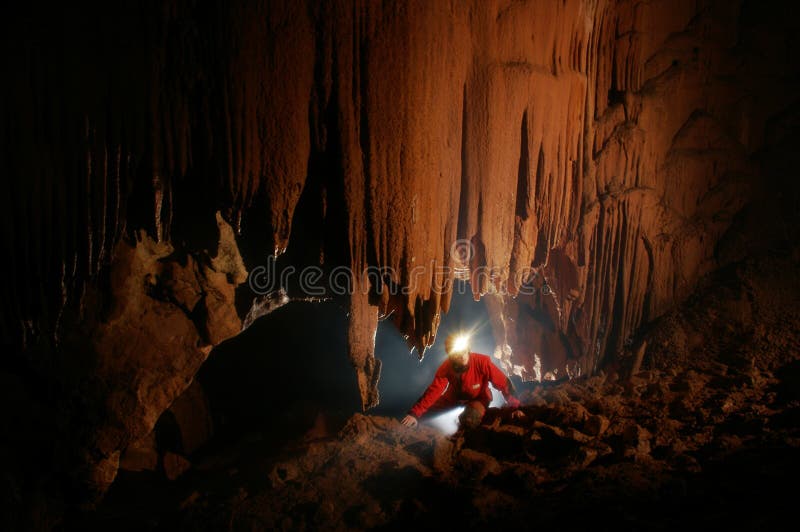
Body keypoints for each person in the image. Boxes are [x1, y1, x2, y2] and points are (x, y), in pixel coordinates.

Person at [401, 333, 522, 429]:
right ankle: (415, 421)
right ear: (452, 355)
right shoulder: (447, 367)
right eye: (459, 353)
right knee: (424, 414)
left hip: (479, 398)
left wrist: (516, 407)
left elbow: (504, 384)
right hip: (454, 398)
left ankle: (470, 427)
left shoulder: (482, 362)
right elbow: (434, 391)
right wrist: (415, 414)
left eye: (465, 351)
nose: (463, 356)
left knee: (470, 419)